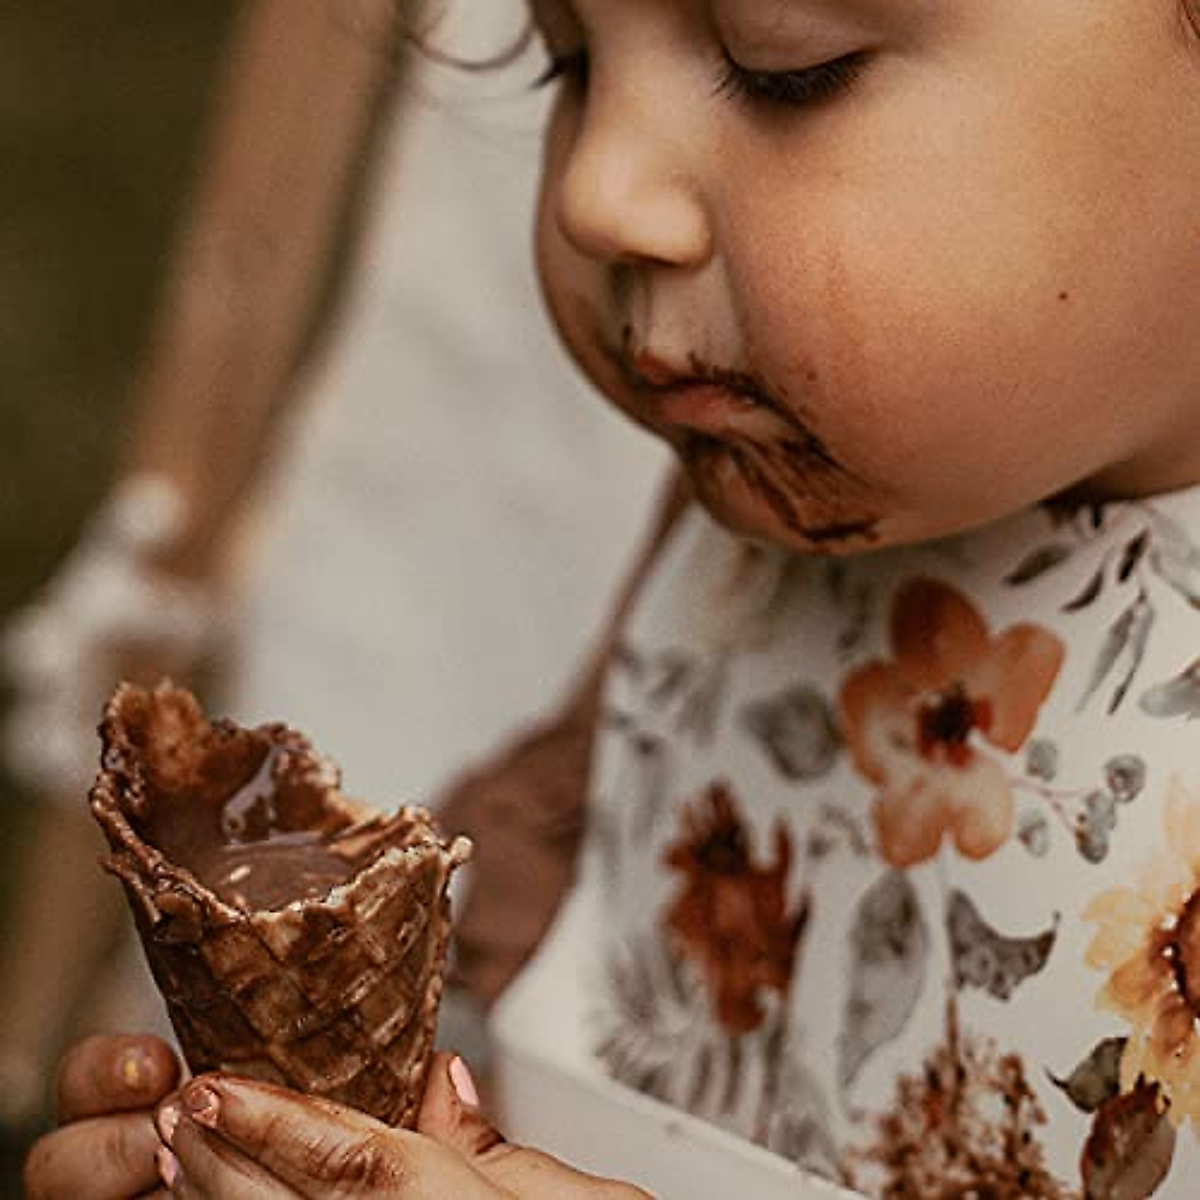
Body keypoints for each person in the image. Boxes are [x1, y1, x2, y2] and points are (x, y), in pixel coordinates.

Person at [24, 0, 1200, 1195]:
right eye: (570, 65)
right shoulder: (760, 511)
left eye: (786, 67)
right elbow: (571, 889)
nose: (596, 190)